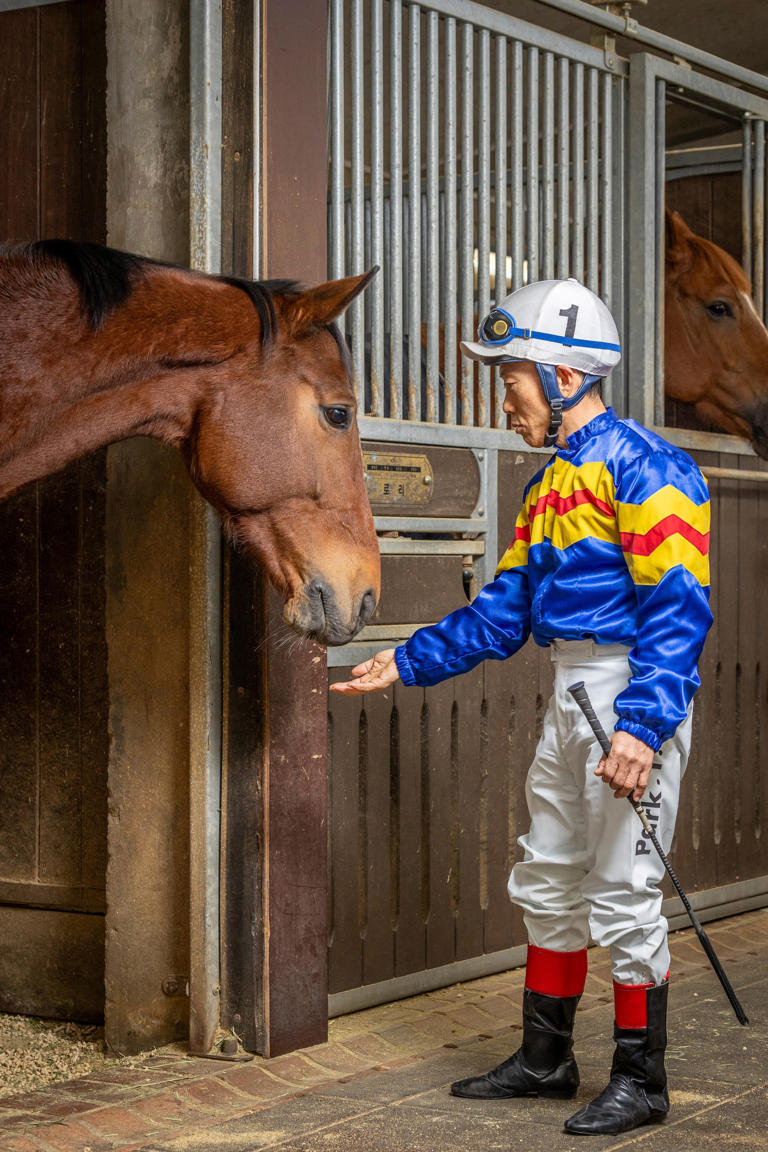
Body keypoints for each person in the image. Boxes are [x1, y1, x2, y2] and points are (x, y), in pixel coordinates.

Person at [330, 277, 712, 1136]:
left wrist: (644, 728)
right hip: (568, 693)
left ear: (566, 377)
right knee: (547, 875)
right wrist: (407, 659)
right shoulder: (549, 489)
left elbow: (679, 607)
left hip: (627, 691)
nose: (506, 399)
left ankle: (640, 1080)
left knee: (623, 889)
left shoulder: (648, 466)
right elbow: (505, 613)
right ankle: (546, 1060)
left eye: (513, 379)